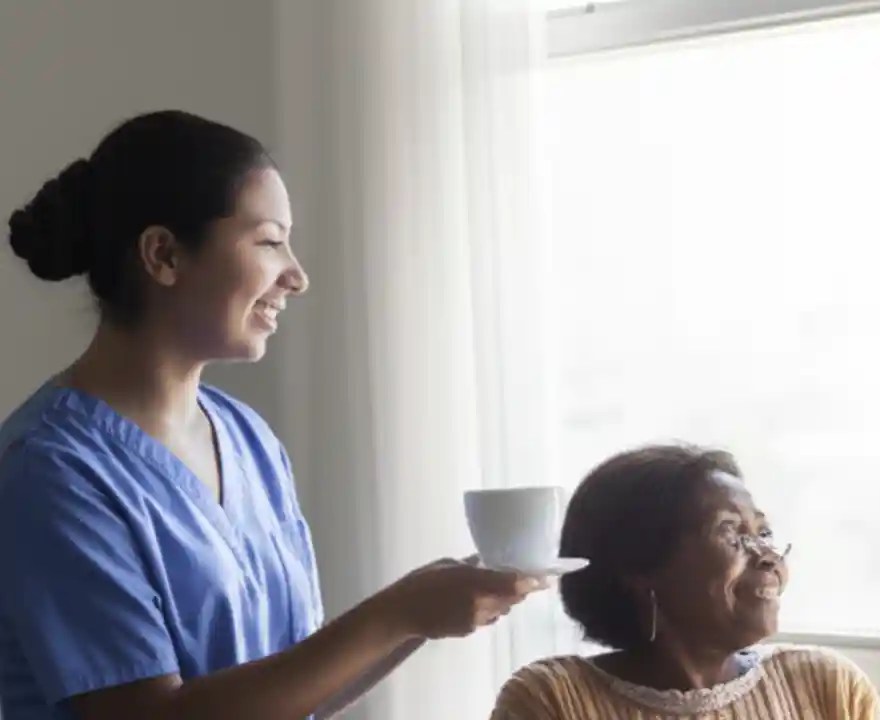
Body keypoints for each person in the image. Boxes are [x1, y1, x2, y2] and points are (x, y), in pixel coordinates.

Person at [0, 110, 546, 720]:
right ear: (164, 256)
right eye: (268, 241)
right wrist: (401, 611)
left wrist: (425, 614)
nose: (297, 275)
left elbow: (290, 694)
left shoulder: (247, 439)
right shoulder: (50, 474)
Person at [490, 444, 880, 719]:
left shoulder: (827, 686)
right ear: (639, 565)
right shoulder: (553, 700)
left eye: (763, 532)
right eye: (730, 531)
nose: (768, 556)